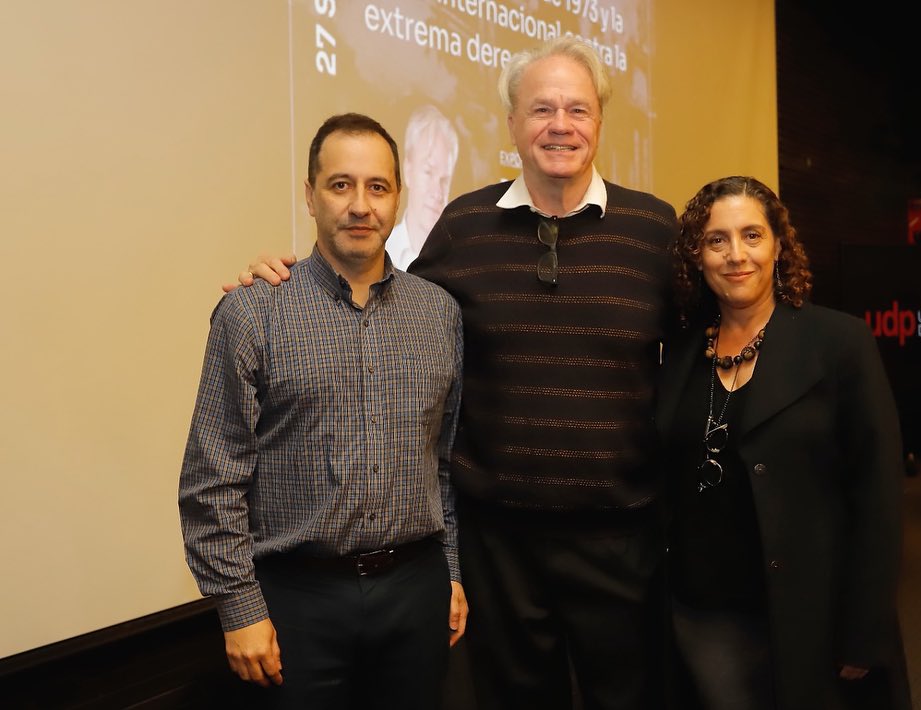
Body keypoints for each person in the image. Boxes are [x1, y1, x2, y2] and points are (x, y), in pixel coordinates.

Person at [233, 37, 678, 710]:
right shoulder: (465, 226)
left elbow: (707, 342)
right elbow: (384, 302)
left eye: (577, 110)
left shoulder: (652, 229)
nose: (560, 126)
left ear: (599, 122)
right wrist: (289, 278)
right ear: (510, 126)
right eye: (540, 110)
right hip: (499, 546)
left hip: (620, 539)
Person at [179, 112, 467, 709]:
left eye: (377, 187)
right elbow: (213, 478)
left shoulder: (440, 315)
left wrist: (452, 569)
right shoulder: (252, 312)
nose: (360, 205)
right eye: (341, 185)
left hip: (417, 591)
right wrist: (238, 608)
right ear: (310, 196)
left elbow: (443, 463)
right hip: (295, 600)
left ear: (396, 198)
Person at [657, 176, 911, 710]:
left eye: (752, 235)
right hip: (704, 613)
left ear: (778, 246)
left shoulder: (838, 343)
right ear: (696, 257)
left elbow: (878, 495)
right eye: (716, 240)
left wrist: (866, 627)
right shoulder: (679, 352)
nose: (735, 255)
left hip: (808, 613)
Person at [385, 104, 459, 270]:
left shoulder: (460, 262)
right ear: (408, 170)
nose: (437, 192)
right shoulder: (380, 252)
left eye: (444, 179)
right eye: (428, 172)